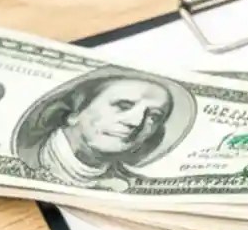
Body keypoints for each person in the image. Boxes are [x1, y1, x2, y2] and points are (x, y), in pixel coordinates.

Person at [22, 74, 176, 189]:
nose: (135, 122)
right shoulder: (24, 159)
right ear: (75, 111)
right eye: (123, 105)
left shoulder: (130, 185)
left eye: (154, 116)